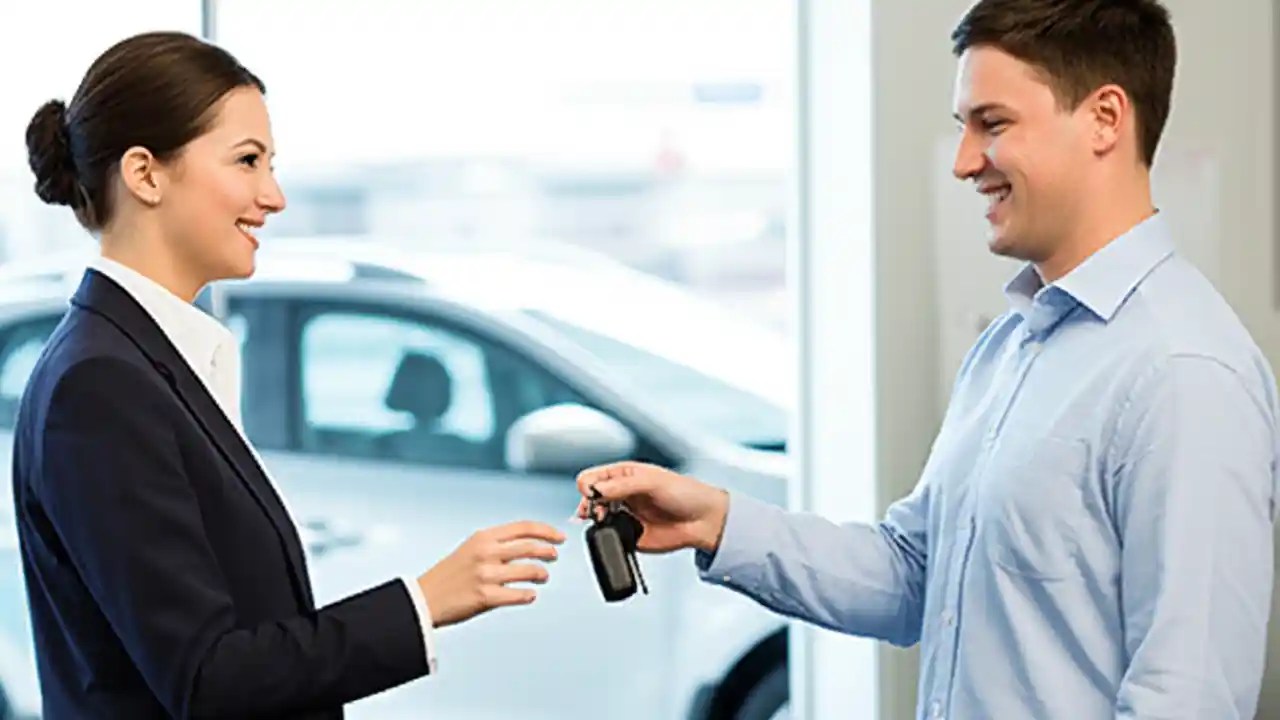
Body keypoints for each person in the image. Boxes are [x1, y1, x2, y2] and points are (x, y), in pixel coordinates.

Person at [576, 1, 1279, 718]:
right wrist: (716, 522)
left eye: (993, 124)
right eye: (964, 127)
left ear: (1104, 118)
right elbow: (916, 575)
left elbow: (1189, 701)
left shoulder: (1187, 372)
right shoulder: (1012, 346)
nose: (964, 161)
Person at [15, 31, 564, 719]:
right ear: (145, 173)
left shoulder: (138, 358)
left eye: (271, 164)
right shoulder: (99, 385)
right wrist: (426, 601)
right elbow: (208, 677)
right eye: (247, 161)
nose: (272, 197)